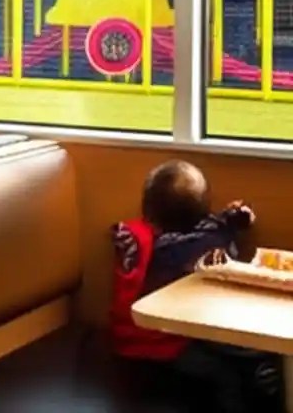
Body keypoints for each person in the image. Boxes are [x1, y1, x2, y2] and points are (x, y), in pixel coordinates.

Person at [110, 160, 283, 412]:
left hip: (160, 334)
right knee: (227, 372)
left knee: (232, 348)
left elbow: (202, 235)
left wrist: (229, 219)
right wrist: (228, 224)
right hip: (158, 343)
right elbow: (206, 242)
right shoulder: (167, 250)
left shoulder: (147, 236)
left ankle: (263, 365)